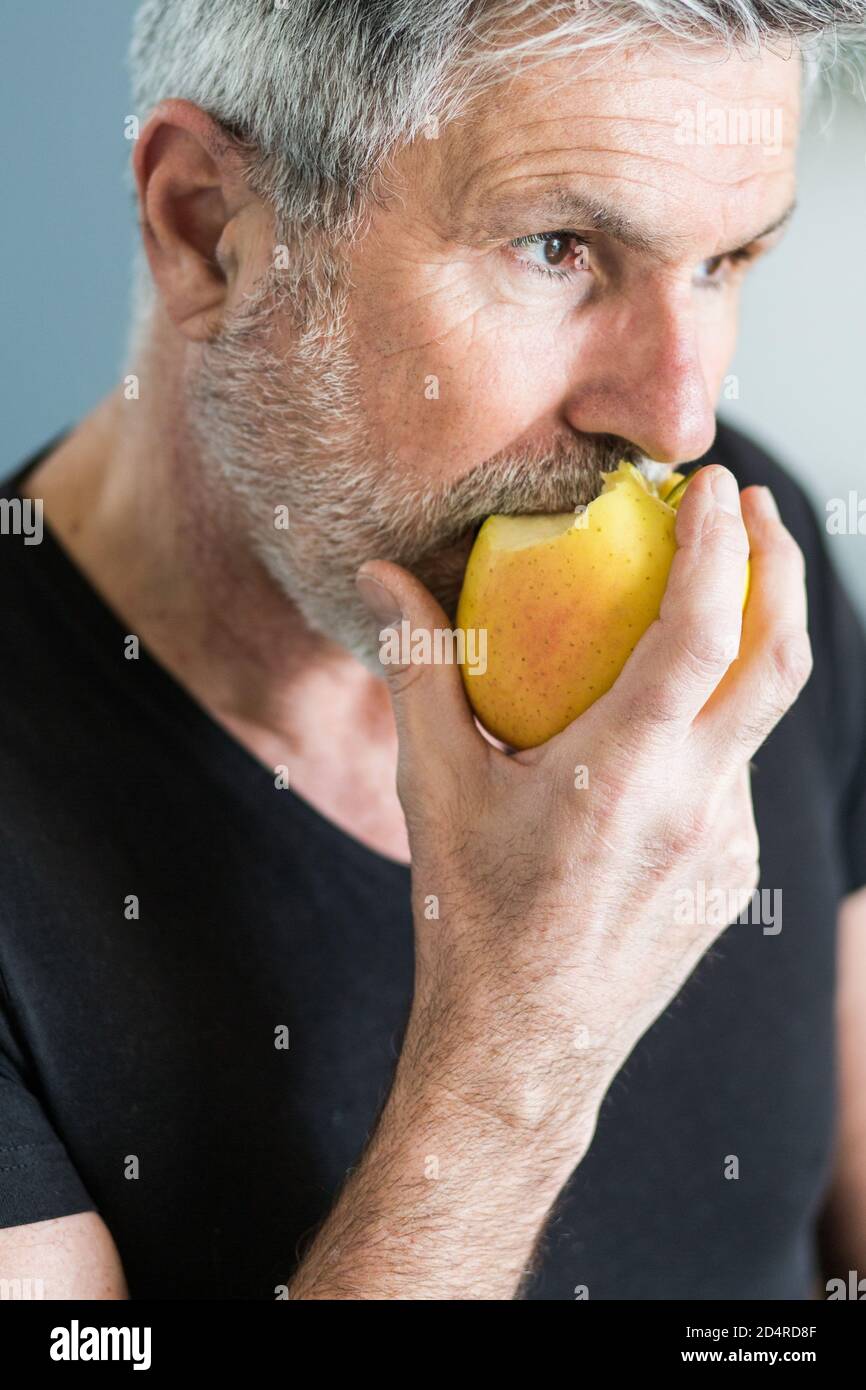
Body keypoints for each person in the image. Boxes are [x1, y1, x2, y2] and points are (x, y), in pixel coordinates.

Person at [1, 0, 865, 1300]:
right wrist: (514, 1057)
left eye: (724, 260)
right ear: (208, 231)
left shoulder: (731, 567)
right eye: (557, 247)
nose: (678, 422)